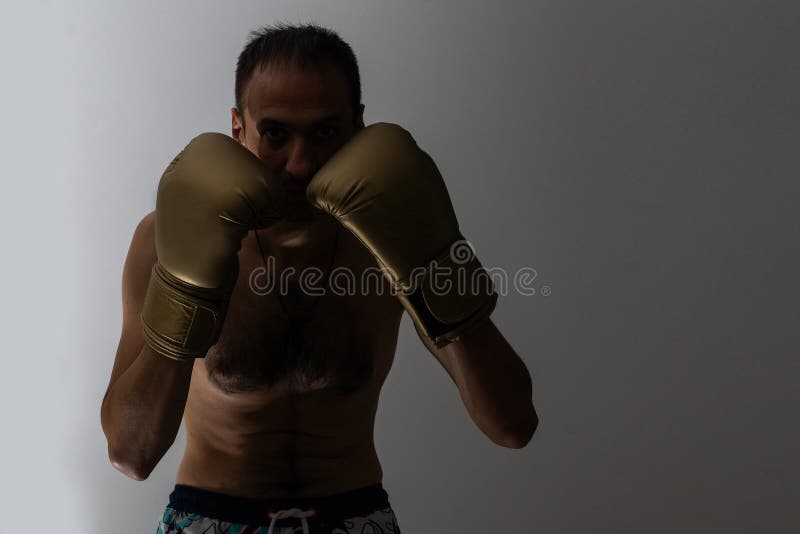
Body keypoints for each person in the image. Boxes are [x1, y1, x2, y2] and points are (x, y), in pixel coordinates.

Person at [100, 23, 538, 534]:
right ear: (238, 129)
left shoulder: (387, 237)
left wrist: (434, 268)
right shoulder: (164, 239)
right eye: (276, 134)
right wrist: (184, 288)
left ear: (358, 128)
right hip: (209, 518)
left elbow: (513, 425)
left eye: (325, 132)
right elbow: (131, 455)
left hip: (353, 517)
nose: (300, 162)